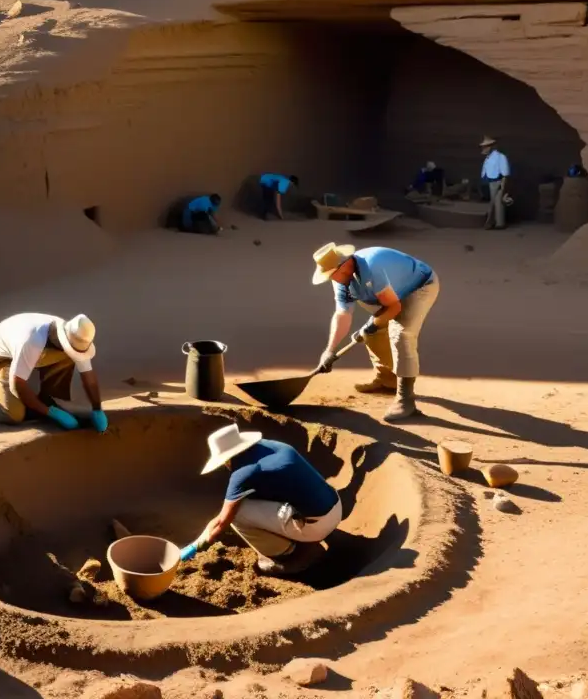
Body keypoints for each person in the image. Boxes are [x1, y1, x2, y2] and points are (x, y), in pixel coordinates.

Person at [180, 423, 342, 577]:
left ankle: (288, 555)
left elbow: (222, 521)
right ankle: (300, 538)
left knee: (237, 514)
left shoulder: (243, 474)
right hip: (335, 507)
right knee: (246, 503)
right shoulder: (271, 446)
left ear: (227, 458)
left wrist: (195, 547)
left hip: (316, 526)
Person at [311, 242, 440, 423]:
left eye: (333, 274)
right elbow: (343, 313)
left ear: (346, 265)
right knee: (371, 333)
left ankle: (406, 402)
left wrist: (374, 322)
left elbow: (394, 306)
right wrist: (329, 350)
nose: (333, 279)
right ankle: (387, 379)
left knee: (401, 334)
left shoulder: (372, 267)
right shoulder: (341, 281)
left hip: (419, 286)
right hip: (386, 292)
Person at [0, 312, 107, 432]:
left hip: (24, 354)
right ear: (62, 340)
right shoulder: (33, 341)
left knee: (68, 356)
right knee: (14, 414)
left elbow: (89, 376)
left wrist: (97, 408)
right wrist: (50, 413)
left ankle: (45, 398)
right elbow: (18, 385)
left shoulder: (75, 336)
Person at [479, 135, 511, 230]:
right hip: (491, 182)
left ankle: (498, 223)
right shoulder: (488, 158)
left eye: (486, 146)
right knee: (493, 202)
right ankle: (494, 222)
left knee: (498, 202)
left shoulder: (500, 157)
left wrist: (503, 184)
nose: (484, 149)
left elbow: (505, 172)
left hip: (498, 181)